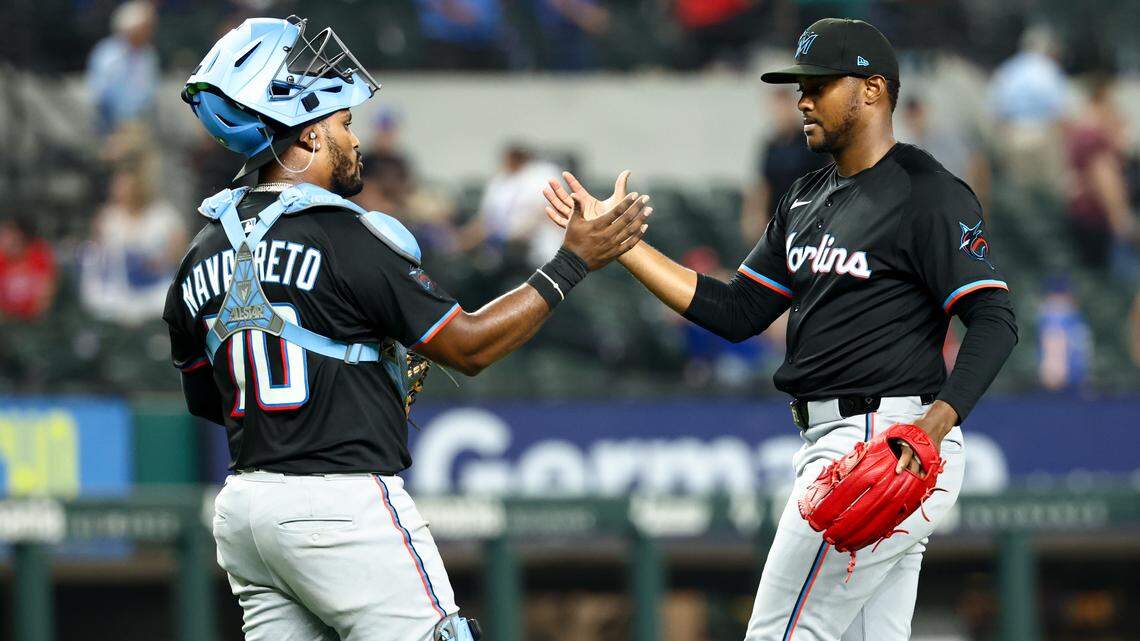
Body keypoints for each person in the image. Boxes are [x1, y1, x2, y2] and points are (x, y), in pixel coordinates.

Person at [165, 16, 648, 641]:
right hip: (339, 502)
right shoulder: (347, 235)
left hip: (246, 512)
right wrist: (572, 261)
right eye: (342, 125)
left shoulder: (197, 252)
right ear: (308, 137)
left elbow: (211, 401)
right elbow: (468, 347)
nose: (354, 139)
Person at [545, 19, 1018, 640]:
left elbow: (995, 318)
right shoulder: (804, 197)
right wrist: (623, 245)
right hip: (841, 439)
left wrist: (936, 422)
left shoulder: (927, 192)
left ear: (873, 90)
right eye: (799, 86)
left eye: (819, 84)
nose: (802, 99)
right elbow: (738, 311)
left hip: (884, 439)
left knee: (780, 633)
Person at [86, 0, 159, 135]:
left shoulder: (148, 55)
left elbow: (149, 93)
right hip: (109, 126)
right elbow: (100, 93)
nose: (148, 32)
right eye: (144, 27)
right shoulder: (107, 53)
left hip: (139, 125)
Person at [0, 216, 56, 321]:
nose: (2, 239)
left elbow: (45, 297)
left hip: (34, 322)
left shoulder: (39, 255)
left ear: (19, 235)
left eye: (5, 235)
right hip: (7, 323)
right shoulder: (1, 259)